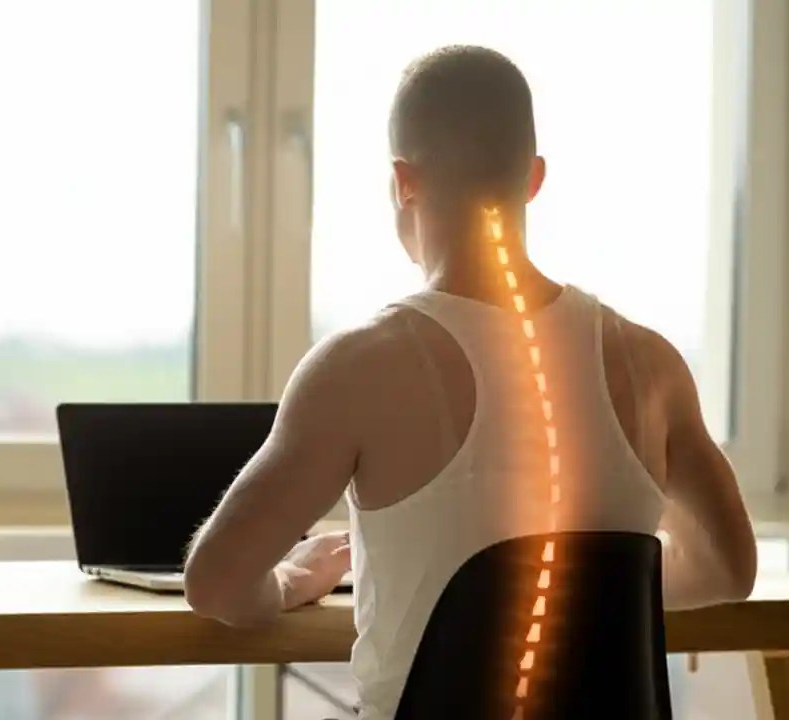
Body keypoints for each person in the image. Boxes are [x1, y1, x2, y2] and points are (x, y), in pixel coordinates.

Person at [184, 45, 757, 718]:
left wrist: (285, 583)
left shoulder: (359, 366)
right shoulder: (650, 362)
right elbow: (727, 569)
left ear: (403, 181)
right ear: (534, 178)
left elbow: (218, 583)